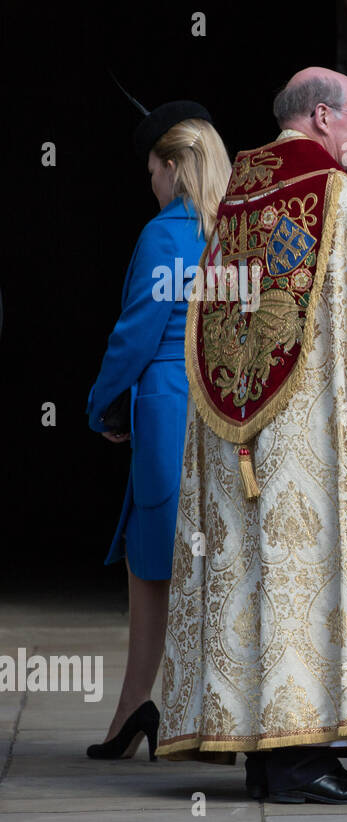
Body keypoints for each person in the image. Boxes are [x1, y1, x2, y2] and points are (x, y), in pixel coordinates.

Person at [154, 68, 347, 805]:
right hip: (311, 431)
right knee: (312, 578)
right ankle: (299, 763)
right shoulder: (331, 193)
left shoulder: (240, 190)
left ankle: (266, 756)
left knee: (263, 582)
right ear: (322, 117)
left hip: (240, 433)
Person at [86, 102, 231, 761]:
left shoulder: (163, 233)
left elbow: (136, 334)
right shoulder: (237, 231)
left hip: (171, 408)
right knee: (208, 566)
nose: (150, 182)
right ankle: (154, 711)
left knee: (153, 568)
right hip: (227, 416)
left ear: (174, 167)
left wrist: (99, 404)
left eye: (153, 170)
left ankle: (148, 711)